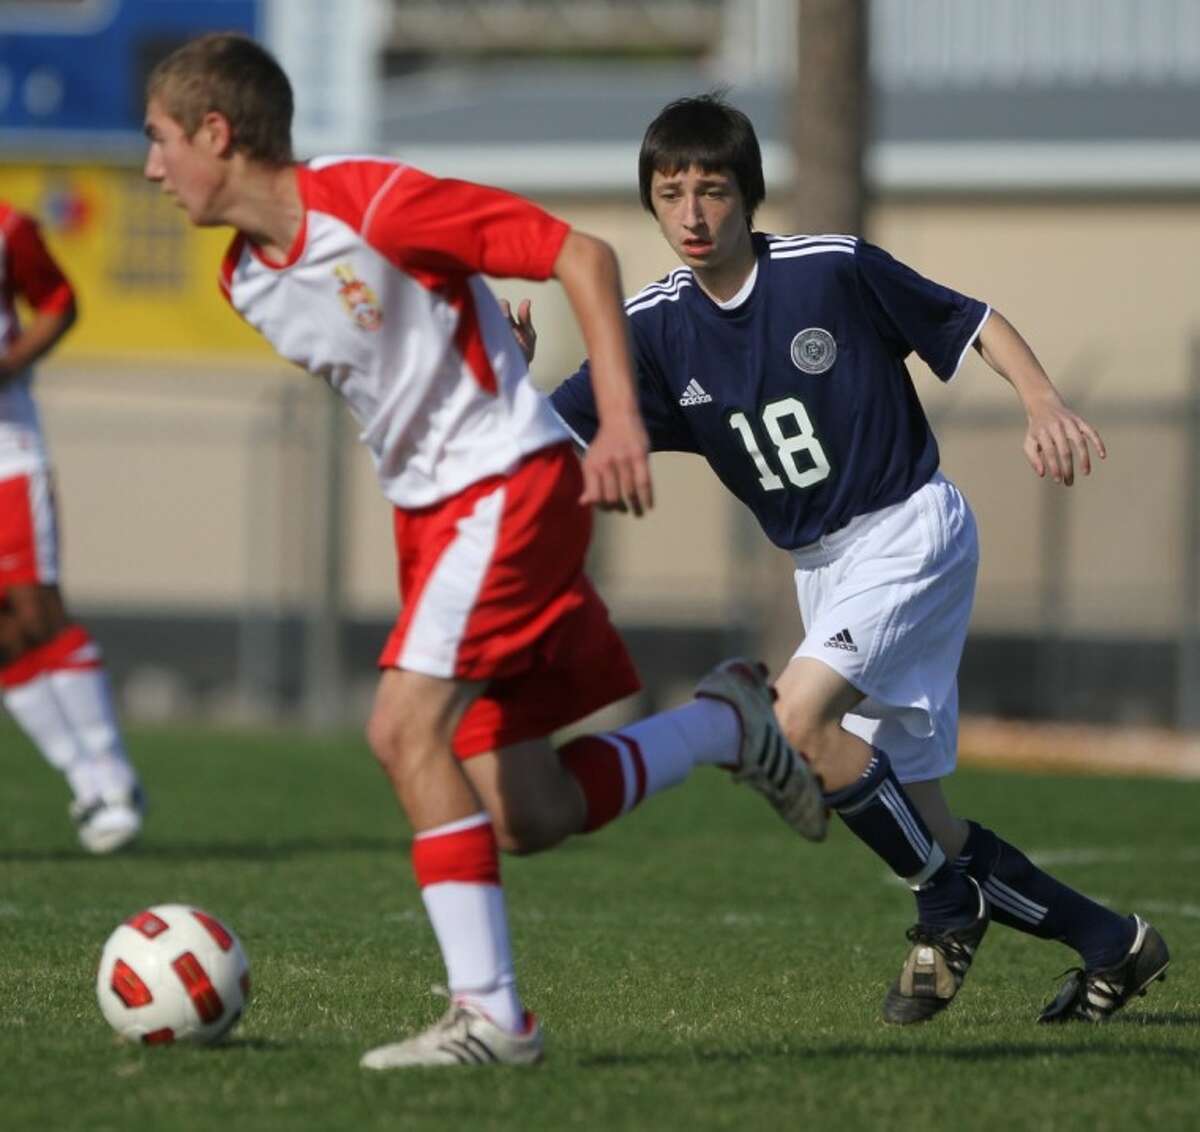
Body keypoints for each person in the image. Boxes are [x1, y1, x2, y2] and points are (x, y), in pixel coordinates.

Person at [142, 37, 826, 1070]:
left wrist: (623, 423)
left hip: (509, 491)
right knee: (526, 810)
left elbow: (582, 255)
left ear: (215, 135)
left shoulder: (371, 202)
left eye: (158, 140)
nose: (151, 167)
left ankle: (493, 1017)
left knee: (400, 728)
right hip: (435, 520)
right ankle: (726, 728)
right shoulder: (248, 281)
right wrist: (493, 345)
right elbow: (412, 356)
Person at [541, 94, 1169, 1026]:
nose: (692, 214)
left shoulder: (826, 271)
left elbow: (975, 319)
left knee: (792, 722)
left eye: (712, 190)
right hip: (824, 567)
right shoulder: (654, 327)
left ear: (749, 196)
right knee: (925, 815)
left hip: (910, 528)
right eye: (670, 193)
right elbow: (549, 428)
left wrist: (1042, 401)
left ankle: (945, 911)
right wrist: (506, 381)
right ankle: (1114, 942)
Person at [0, 200, 144, 854]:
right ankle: (85, 780)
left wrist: (7, 364)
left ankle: (111, 774)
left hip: (8, 449)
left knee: (37, 608)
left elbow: (59, 301)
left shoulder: (8, 226)